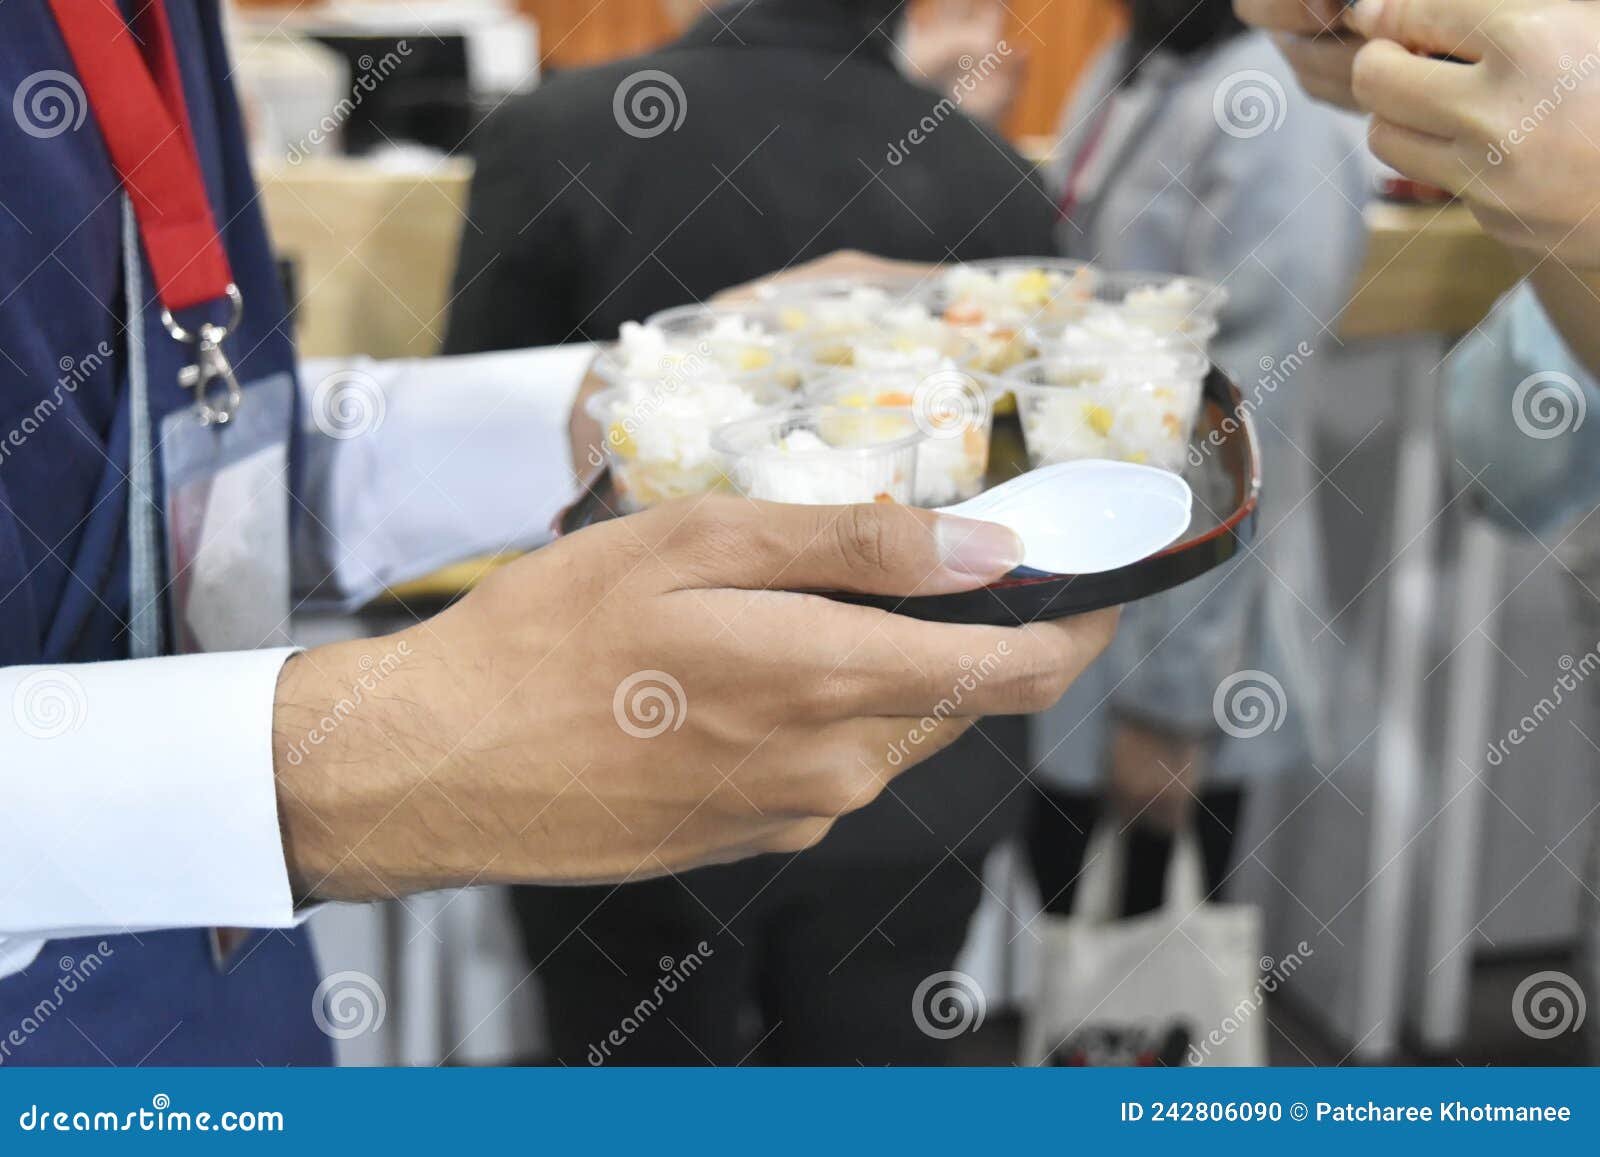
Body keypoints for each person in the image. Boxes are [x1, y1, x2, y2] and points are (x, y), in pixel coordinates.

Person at [0, 0, 1116, 1065]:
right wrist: (345, 764)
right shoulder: (988, 161)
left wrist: (658, 394)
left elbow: (179, 458)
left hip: (236, 1004)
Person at [443, 0, 1062, 1064]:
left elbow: (475, 449)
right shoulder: (995, 171)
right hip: (914, 747)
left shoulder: (556, 131)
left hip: (628, 744)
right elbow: (1028, 474)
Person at [1024, 0, 1369, 917]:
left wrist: (1169, 702)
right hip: (1086, 564)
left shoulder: (1273, 103)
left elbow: (1238, 423)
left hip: (1190, 611)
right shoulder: (1137, 58)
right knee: (1065, 917)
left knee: (1147, 946)